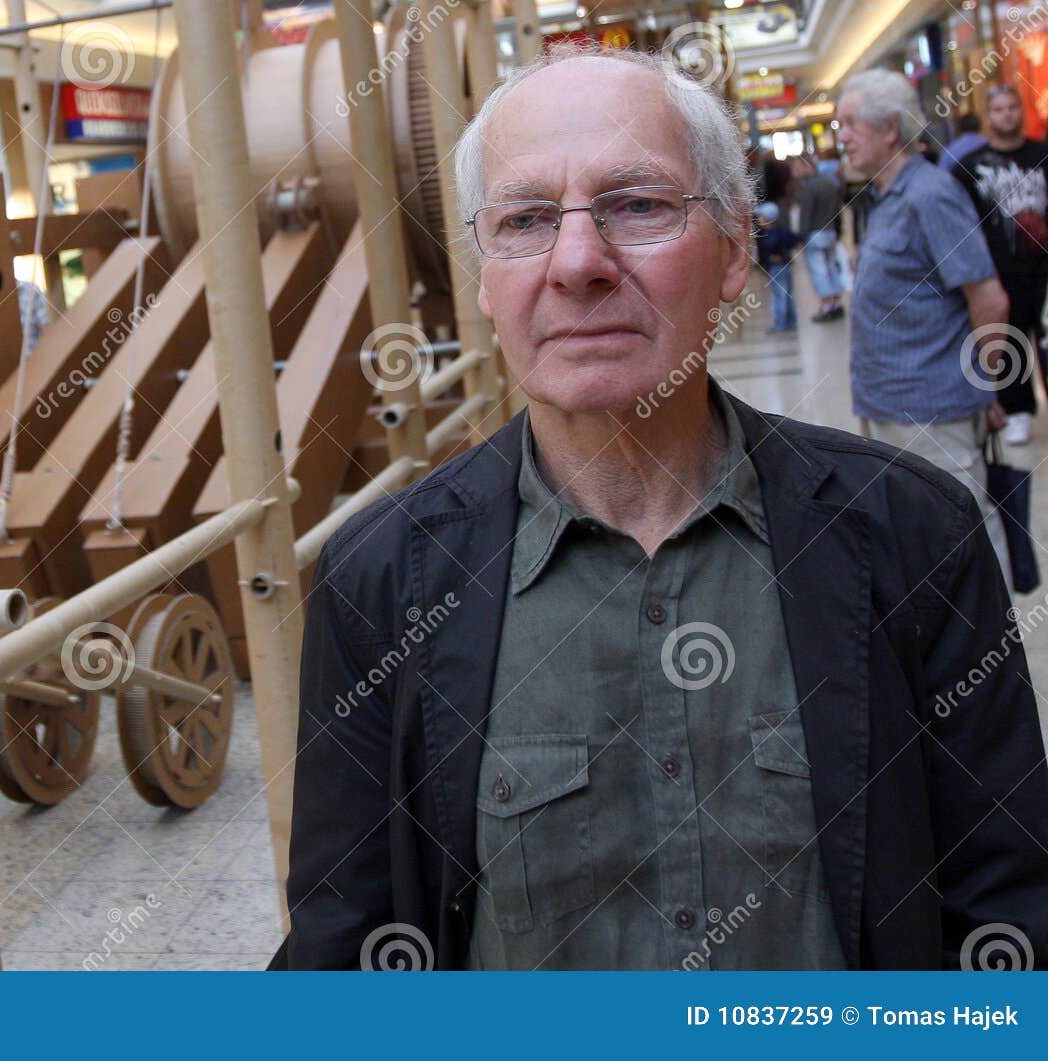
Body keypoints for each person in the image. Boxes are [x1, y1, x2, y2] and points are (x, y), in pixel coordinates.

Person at [271, 45, 1048, 972]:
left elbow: (1007, 910)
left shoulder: (915, 535)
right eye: (523, 219)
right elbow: (342, 944)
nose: (578, 262)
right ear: (484, 281)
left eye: (637, 206)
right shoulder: (381, 583)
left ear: (733, 249)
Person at [836, 69, 1011, 577]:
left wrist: (984, 383)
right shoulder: (886, 198)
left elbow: (989, 298)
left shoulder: (930, 195)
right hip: (894, 406)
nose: (841, 136)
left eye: (850, 124)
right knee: (922, 534)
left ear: (890, 129)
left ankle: (993, 647)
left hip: (933, 412)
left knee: (962, 533)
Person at [951, 85, 1048, 445]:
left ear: (1021, 111)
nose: (1006, 115)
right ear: (989, 115)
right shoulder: (972, 167)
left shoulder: (1042, 154)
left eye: (1012, 108)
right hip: (1001, 272)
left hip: (1043, 270)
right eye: (999, 109)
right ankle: (1017, 410)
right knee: (1011, 340)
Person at [789, 154, 846, 320]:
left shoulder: (807, 187)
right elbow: (838, 211)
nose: (794, 172)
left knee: (818, 271)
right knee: (831, 267)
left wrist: (800, 237)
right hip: (830, 232)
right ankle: (837, 302)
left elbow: (806, 214)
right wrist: (838, 231)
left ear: (807, 167)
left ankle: (827, 305)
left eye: (797, 168)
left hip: (814, 233)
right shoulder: (829, 183)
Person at [755, 201, 800, 332]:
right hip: (785, 266)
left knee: (779, 296)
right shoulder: (782, 231)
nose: (758, 220)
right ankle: (791, 321)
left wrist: (773, 256)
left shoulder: (769, 235)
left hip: (777, 268)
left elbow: (770, 248)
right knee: (787, 294)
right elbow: (795, 240)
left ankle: (780, 324)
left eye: (761, 217)